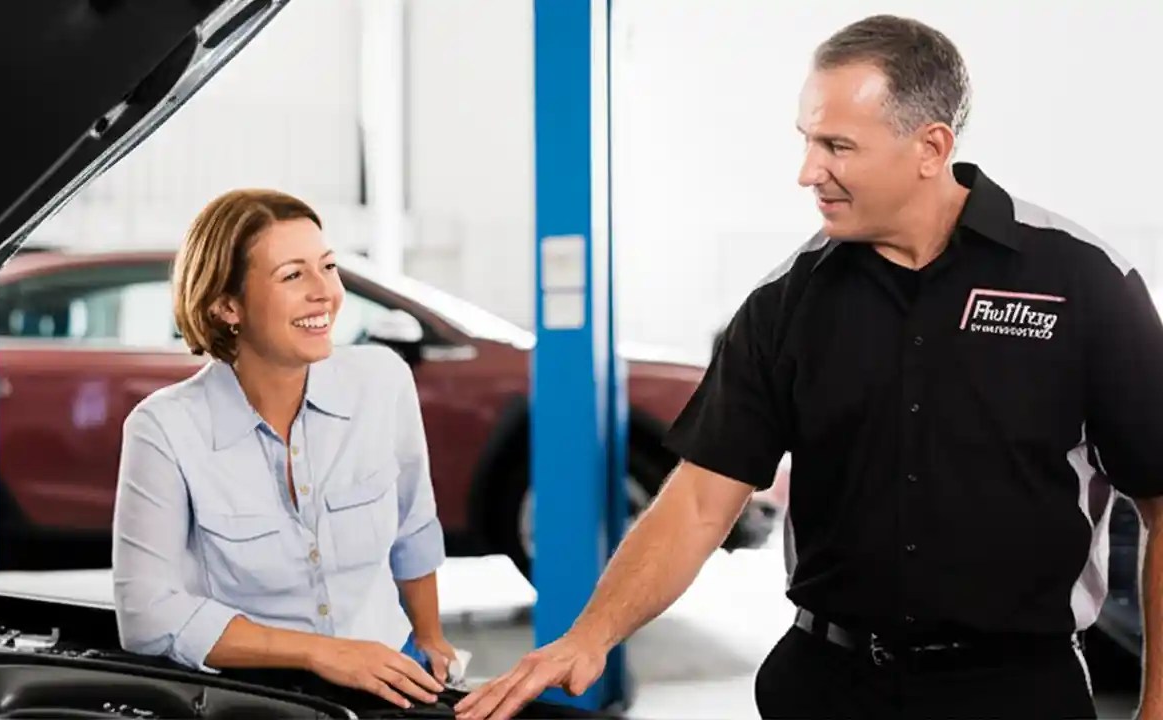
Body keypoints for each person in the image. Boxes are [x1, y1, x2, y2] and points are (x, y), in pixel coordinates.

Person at [455, 14, 1163, 720]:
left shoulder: (1082, 281)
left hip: (1014, 695)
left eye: (837, 146)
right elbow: (702, 498)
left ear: (931, 146)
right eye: (807, 140)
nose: (807, 172)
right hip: (828, 688)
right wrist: (591, 634)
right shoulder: (786, 301)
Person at [112, 188, 456, 711]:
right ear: (227, 306)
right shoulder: (164, 428)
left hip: (392, 681)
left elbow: (414, 526)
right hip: (252, 699)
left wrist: (429, 636)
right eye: (293, 275)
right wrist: (322, 653)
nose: (326, 293)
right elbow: (146, 616)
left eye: (329, 266)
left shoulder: (383, 381)